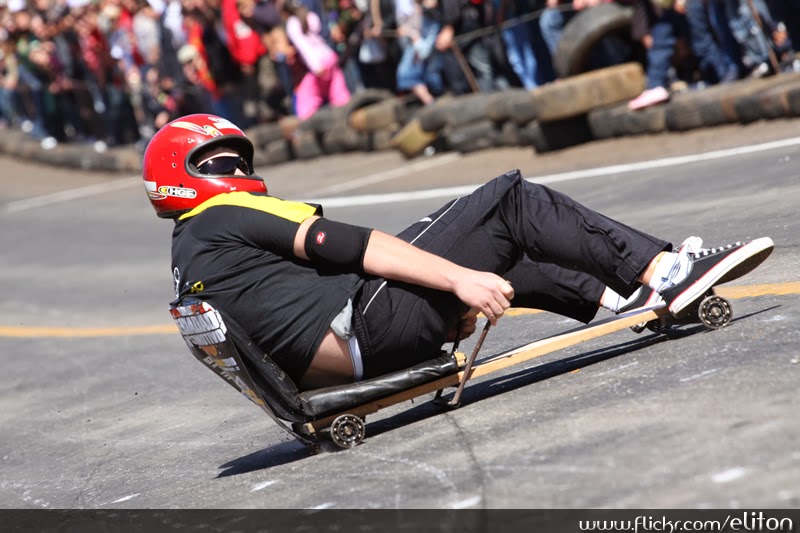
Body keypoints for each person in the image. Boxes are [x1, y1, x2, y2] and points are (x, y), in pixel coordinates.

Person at [143, 114, 774, 390]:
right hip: (369, 331)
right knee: (509, 201)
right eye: (218, 160)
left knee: (455, 234)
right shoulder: (223, 211)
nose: (234, 168)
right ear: (181, 177)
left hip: (343, 356)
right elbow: (350, 246)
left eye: (236, 159)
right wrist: (458, 283)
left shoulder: (191, 252)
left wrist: (453, 274)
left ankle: (618, 294)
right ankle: (665, 270)